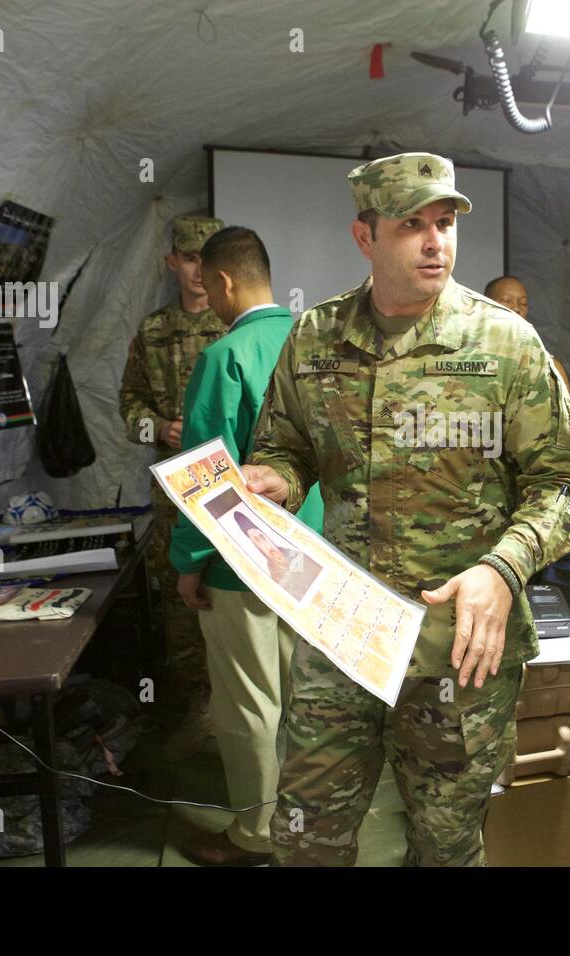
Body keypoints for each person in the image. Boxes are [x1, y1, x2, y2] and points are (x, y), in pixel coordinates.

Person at [244, 152, 570, 866]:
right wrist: (275, 479)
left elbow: (564, 484)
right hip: (341, 634)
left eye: (444, 222)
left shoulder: (503, 343)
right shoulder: (314, 338)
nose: (437, 241)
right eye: (412, 225)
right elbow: (285, 448)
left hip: (456, 648)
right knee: (304, 838)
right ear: (364, 236)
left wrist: (504, 569)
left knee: (444, 843)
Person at [168, 225, 323, 866]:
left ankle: (255, 837)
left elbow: (206, 472)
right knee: (303, 699)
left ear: (224, 282)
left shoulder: (223, 356)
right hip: (313, 550)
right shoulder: (312, 343)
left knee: (249, 704)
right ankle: (307, 818)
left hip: (244, 561)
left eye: (209, 285)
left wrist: (187, 563)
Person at [118, 214, 225, 760]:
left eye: (207, 261)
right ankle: (194, 711)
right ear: (172, 263)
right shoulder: (154, 331)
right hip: (173, 494)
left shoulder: (237, 331)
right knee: (180, 605)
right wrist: (157, 429)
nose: (198, 272)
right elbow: (129, 410)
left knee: (235, 595)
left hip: (231, 492)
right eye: (188, 259)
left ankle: (238, 713)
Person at [484, 274, 570, 389]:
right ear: (486, 304)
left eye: (523, 303)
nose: (516, 308)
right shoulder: (469, 358)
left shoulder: (547, 366)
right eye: (506, 300)